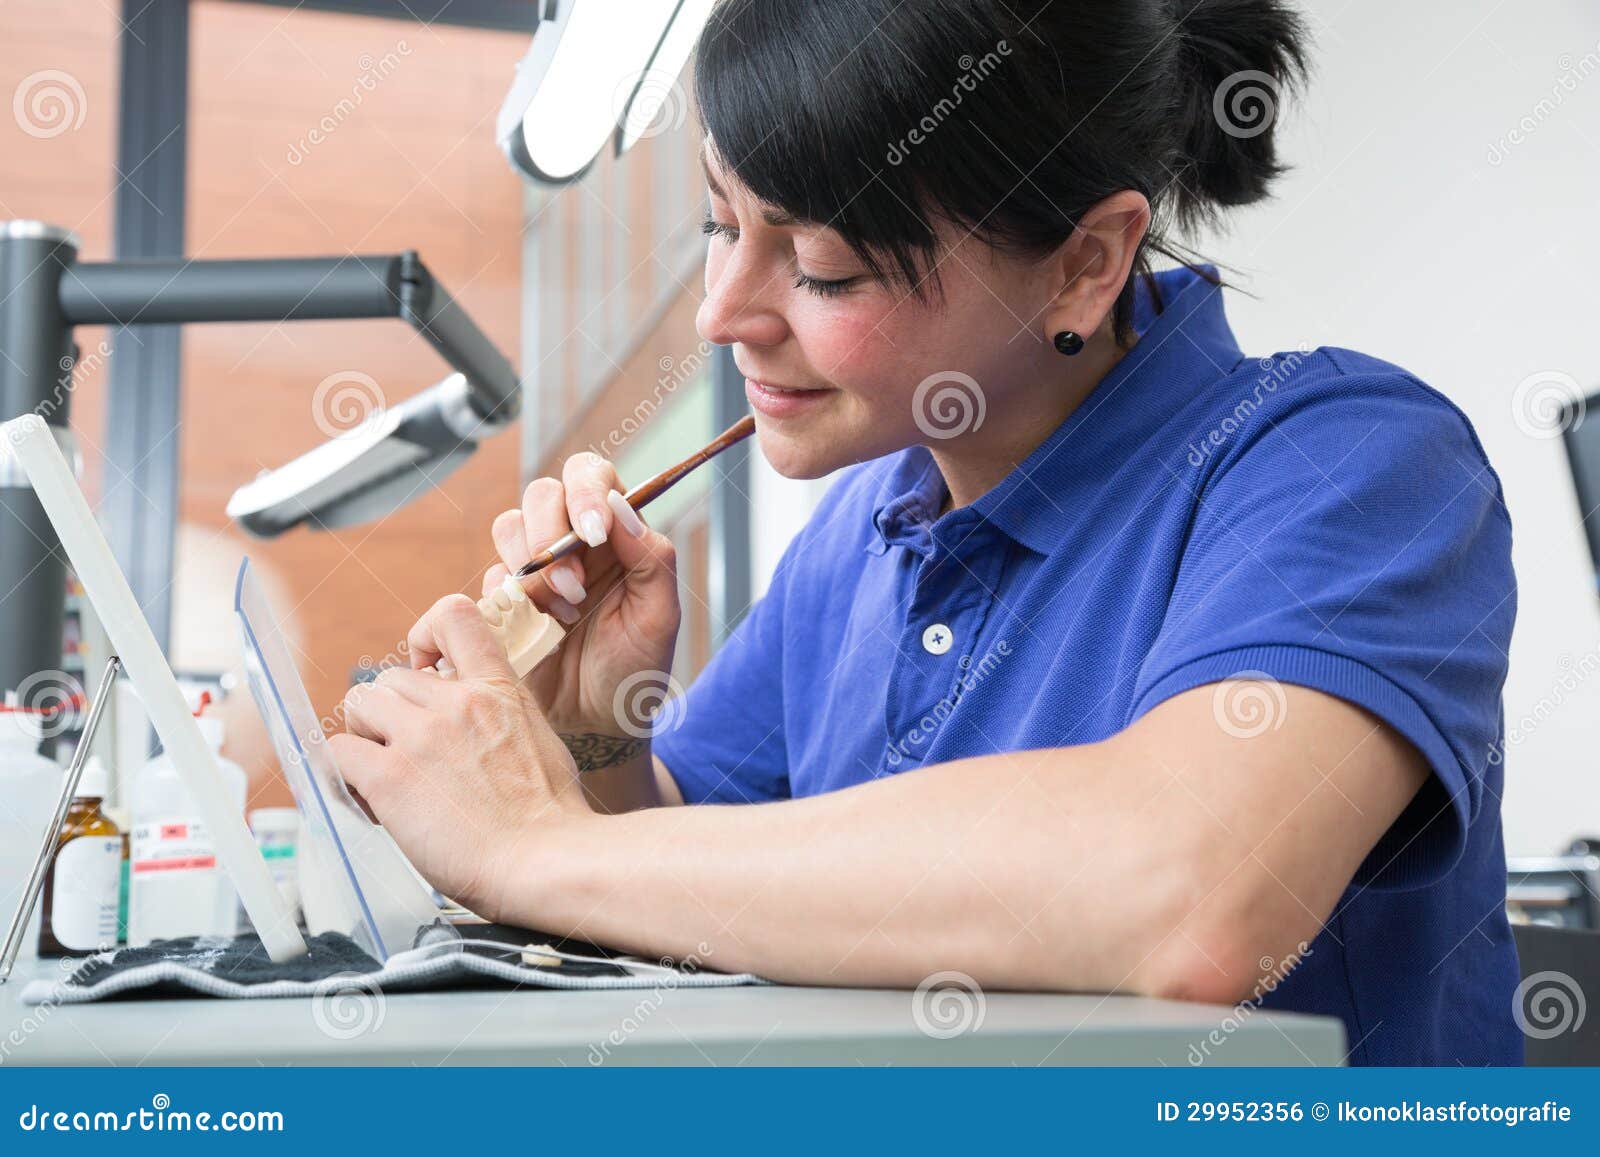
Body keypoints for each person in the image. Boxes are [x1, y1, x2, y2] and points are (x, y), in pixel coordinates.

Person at [331, 0, 1520, 1065]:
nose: (720, 313)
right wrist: (593, 743)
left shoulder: (1346, 461)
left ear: (1084, 264)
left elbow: (1191, 903)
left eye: (824, 268)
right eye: (717, 223)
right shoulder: (861, 530)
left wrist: (530, 843)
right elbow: (692, 898)